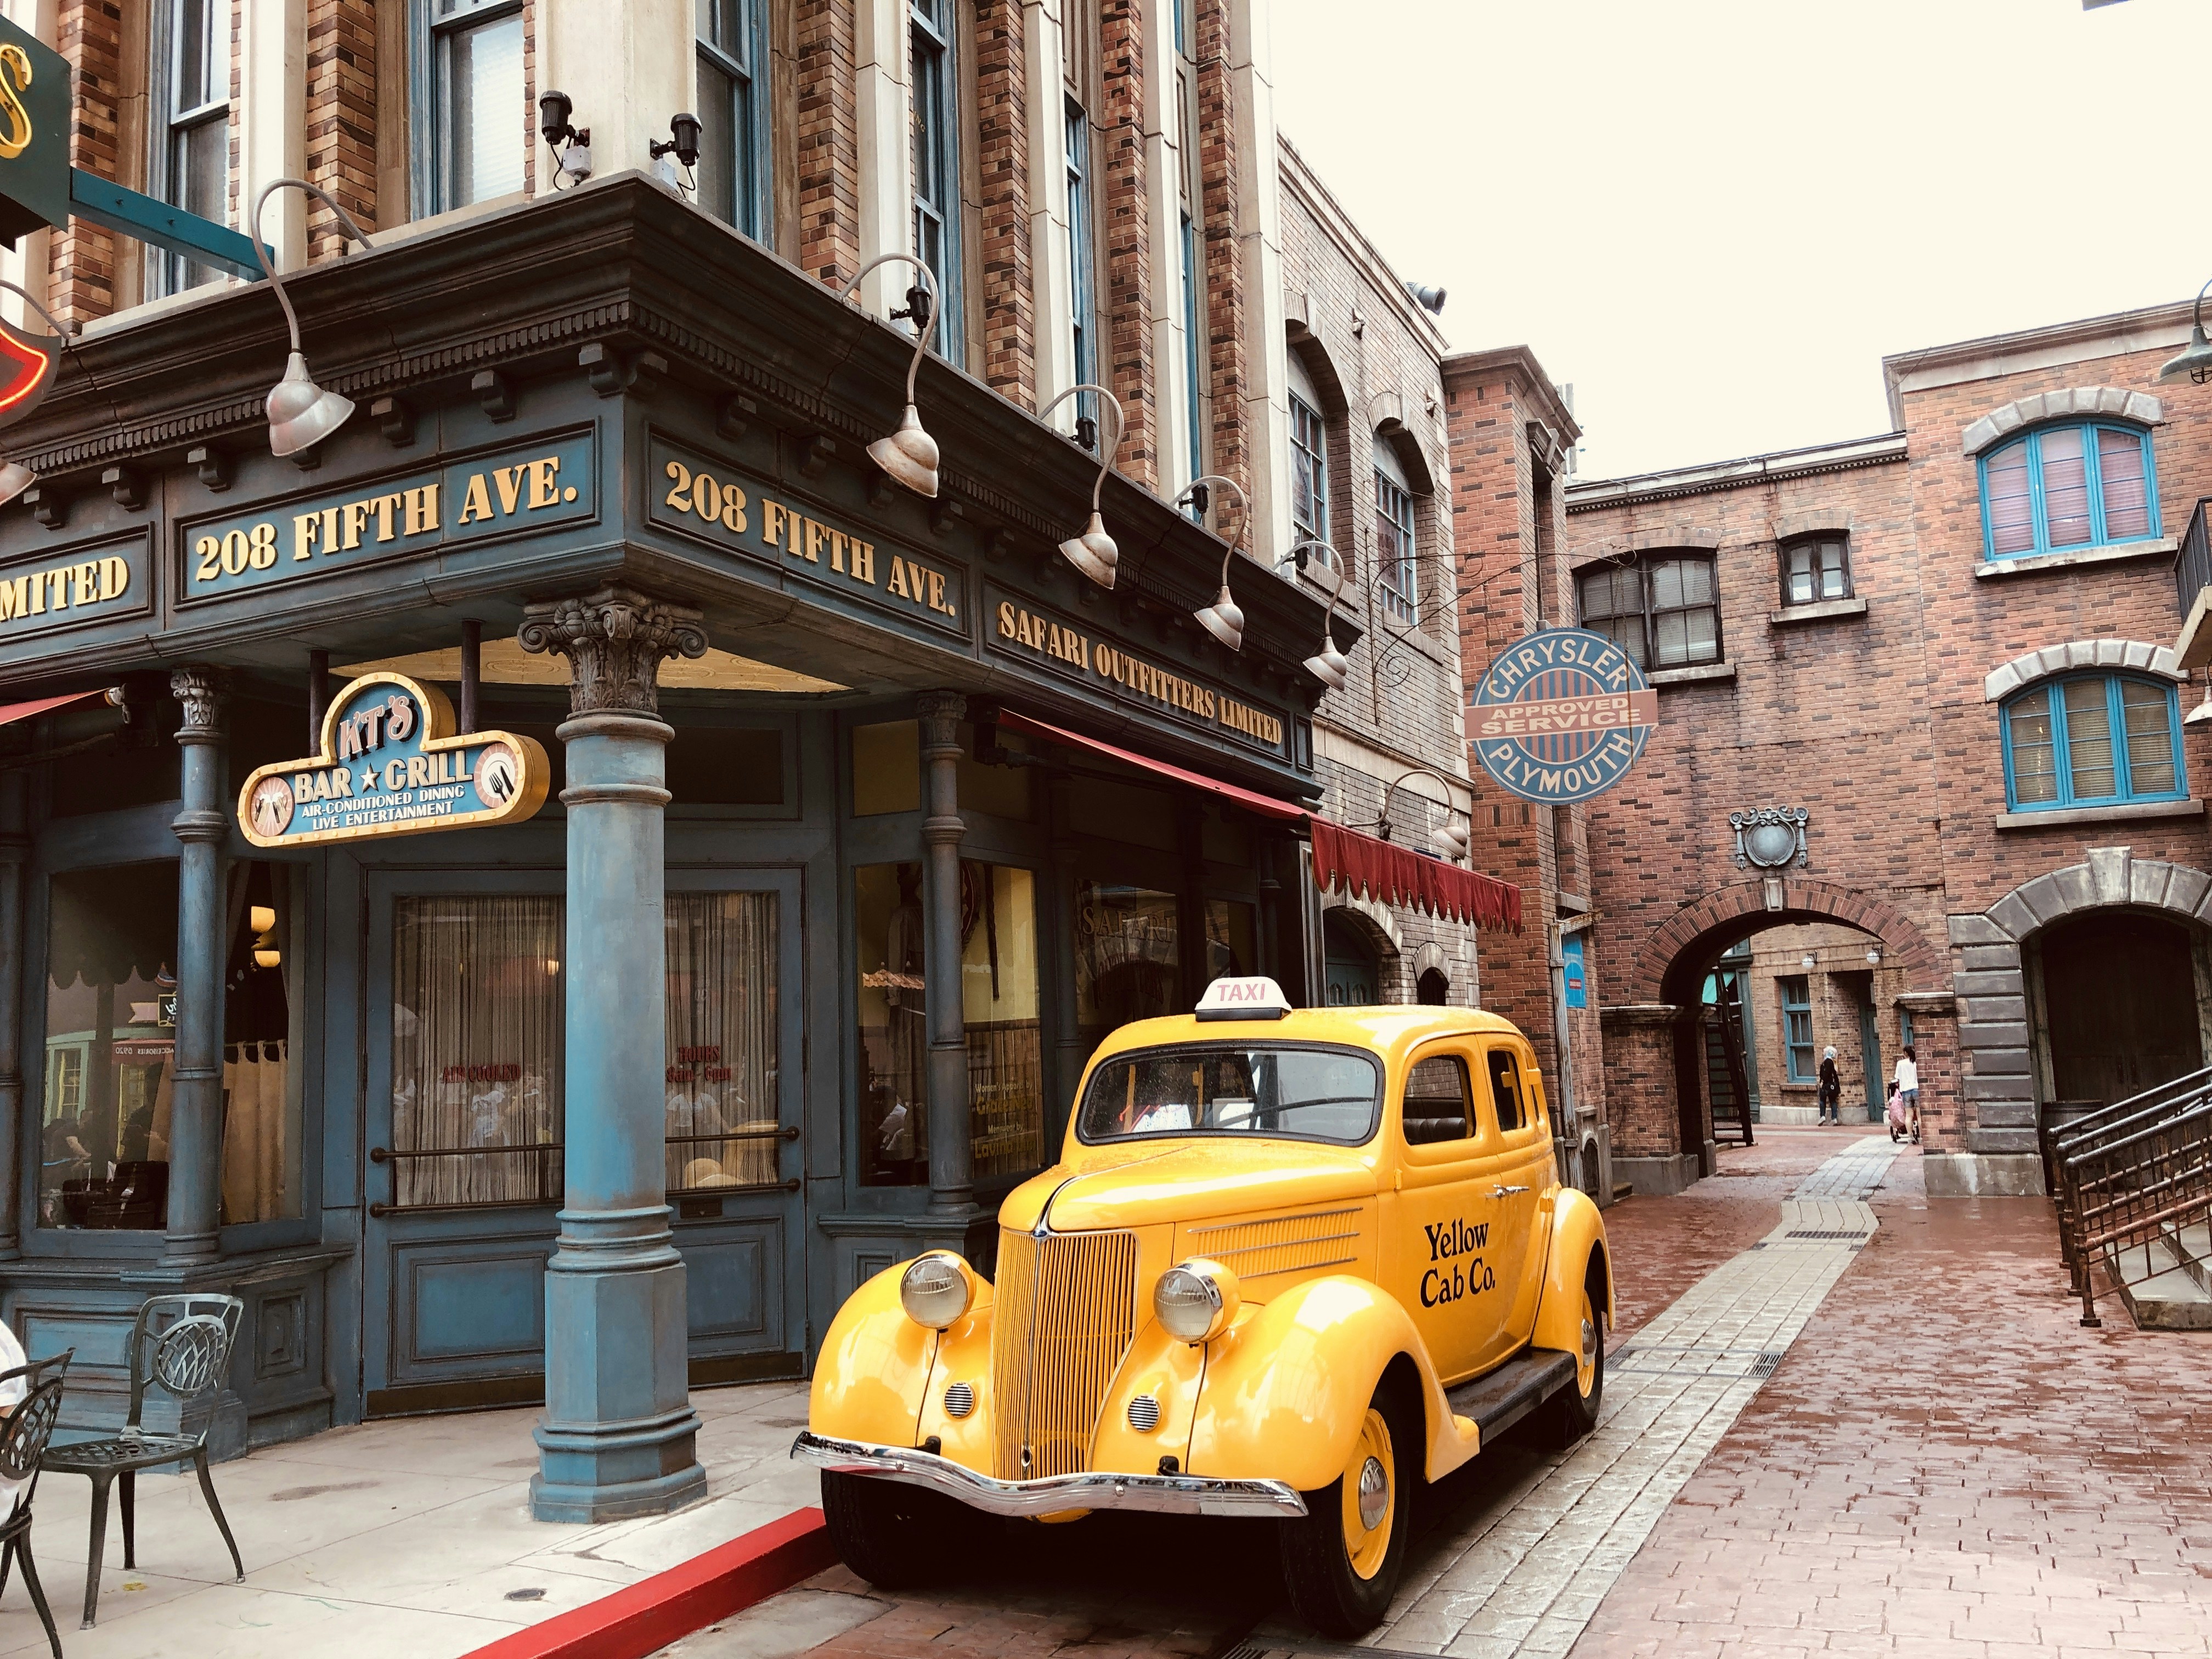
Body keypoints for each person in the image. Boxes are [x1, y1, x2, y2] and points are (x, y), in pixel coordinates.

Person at [1894, 1045, 1920, 1144]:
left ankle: (1910, 1137)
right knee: (1919, 1115)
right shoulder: (1916, 1063)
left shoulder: (1900, 1064)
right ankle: (1921, 1137)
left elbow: (1897, 1078)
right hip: (1917, 1089)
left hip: (1906, 1091)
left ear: (1905, 1053)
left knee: (1909, 1116)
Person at [1816, 1047, 1841, 1126]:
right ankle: (1834, 1118)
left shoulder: (1827, 1062)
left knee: (1823, 1100)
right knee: (1833, 1100)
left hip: (1827, 1085)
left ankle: (1823, 1116)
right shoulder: (1834, 1063)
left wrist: (1822, 1082)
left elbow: (1826, 1074)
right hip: (1833, 1085)